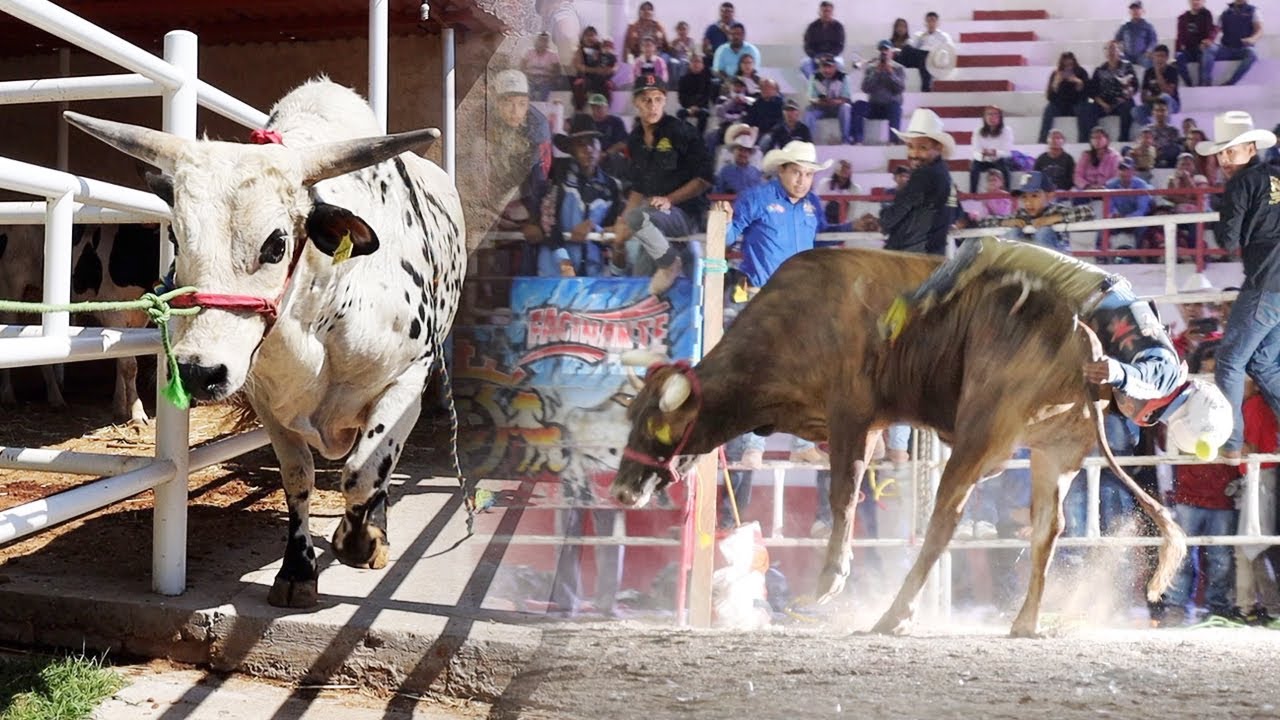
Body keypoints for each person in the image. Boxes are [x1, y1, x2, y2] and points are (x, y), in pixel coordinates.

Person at [882, 236, 1233, 463]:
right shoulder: (1162, 387)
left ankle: (912, 304)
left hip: (1088, 294)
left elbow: (1140, 377)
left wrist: (1118, 372)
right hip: (1089, 302)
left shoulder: (1168, 379)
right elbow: (1143, 378)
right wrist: (1119, 373)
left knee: (985, 248)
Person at [718, 140, 839, 467]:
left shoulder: (812, 205)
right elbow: (725, 238)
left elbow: (821, 240)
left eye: (808, 174)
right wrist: (723, 221)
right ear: (781, 170)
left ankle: (798, 444)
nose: (802, 180)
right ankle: (752, 448)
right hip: (763, 297)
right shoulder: (756, 198)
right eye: (796, 172)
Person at [1199, 111, 1280, 459]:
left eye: (1230, 151)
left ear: (1250, 148)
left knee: (1231, 362)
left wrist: (1223, 209)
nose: (1224, 159)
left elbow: (1228, 241)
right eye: (1222, 152)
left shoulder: (1240, 185)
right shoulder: (1275, 176)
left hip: (1265, 281)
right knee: (1263, 363)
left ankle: (1230, 444)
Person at [611, 75, 713, 295]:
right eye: (646, 100)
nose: (653, 106)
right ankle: (644, 306)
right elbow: (638, 188)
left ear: (665, 101)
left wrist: (669, 200)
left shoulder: (682, 131)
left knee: (639, 217)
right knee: (642, 286)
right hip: (654, 222)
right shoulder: (635, 139)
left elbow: (704, 179)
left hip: (684, 214)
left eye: (658, 99)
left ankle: (670, 265)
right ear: (635, 102)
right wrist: (623, 220)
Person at [538, 114, 623, 277]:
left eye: (592, 142)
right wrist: (564, 262)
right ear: (572, 150)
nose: (588, 149)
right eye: (580, 144)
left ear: (600, 146)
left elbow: (610, 228)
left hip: (592, 274)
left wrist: (596, 228)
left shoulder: (610, 186)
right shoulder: (558, 176)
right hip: (554, 271)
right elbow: (548, 223)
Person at [488, 69, 552, 274]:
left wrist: (534, 220)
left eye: (521, 103)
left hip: (526, 196)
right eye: (508, 103)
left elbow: (537, 177)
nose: (515, 110)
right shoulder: (483, 122)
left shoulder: (537, 125)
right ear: (497, 103)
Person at [880, 109, 956, 256]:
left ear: (938, 148)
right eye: (910, 146)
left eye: (922, 148)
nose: (914, 154)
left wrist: (882, 217)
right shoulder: (943, 173)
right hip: (932, 256)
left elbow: (890, 218)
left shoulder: (924, 175)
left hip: (910, 259)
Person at [975, 171, 1094, 252]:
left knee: (1043, 233)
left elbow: (1088, 212)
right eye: (1024, 197)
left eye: (1034, 196)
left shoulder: (1055, 210)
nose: (1028, 202)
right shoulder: (1021, 214)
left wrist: (1054, 218)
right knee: (1013, 233)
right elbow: (983, 222)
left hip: (1058, 266)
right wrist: (1007, 222)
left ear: (1049, 196)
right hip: (1030, 268)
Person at [1083, 40, 1138, 142]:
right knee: (1088, 107)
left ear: (1119, 51)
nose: (1110, 52)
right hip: (1103, 103)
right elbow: (1092, 92)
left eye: (1113, 48)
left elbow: (1135, 86)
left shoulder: (1127, 66)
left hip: (1121, 101)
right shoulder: (1099, 70)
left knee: (1129, 105)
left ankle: (1123, 138)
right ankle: (1094, 138)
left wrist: (1127, 94)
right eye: (1108, 49)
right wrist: (1103, 104)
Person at [853, 40, 906, 143]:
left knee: (896, 108)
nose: (884, 53)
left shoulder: (898, 68)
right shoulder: (871, 68)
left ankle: (893, 141)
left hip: (889, 107)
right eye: (881, 50)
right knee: (857, 105)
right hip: (874, 106)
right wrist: (876, 73)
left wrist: (891, 73)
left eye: (886, 50)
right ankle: (857, 139)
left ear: (891, 52)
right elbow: (865, 88)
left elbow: (900, 89)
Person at [1103, 157, 1154, 256]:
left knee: (1143, 228)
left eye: (1127, 170)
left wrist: (1127, 218)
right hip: (1118, 219)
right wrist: (1114, 214)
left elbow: (1141, 210)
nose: (1124, 173)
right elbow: (1109, 206)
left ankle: (1139, 256)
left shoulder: (1141, 185)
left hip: (1136, 220)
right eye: (1122, 169)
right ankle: (1102, 256)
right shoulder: (1110, 185)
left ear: (1133, 171)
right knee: (1103, 227)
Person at [1038, 51, 1090, 144]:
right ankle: (1043, 140)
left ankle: (1084, 140)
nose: (1068, 67)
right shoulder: (1055, 74)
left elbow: (1087, 95)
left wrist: (1079, 83)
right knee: (1048, 109)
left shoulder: (1081, 72)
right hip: (1060, 106)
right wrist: (1055, 84)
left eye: (1070, 64)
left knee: (1083, 108)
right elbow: (1050, 97)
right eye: (1065, 65)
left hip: (1076, 105)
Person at [1210, 0, 1262, 86]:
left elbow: (1260, 30)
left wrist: (1252, 39)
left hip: (1243, 49)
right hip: (1226, 49)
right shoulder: (1225, 11)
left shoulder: (1253, 11)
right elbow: (1216, 29)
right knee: (1209, 50)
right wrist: (1210, 40)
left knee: (1252, 54)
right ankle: (1205, 82)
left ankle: (1231, 82)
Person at [806, 56, 855, 145]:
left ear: (835, 67)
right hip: (820, 107)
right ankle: (809, 142)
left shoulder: (843, 77)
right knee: (809, 111)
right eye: (824, 67)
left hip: (837, 108)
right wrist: (820, 101)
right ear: (820, 67)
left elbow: (846, 98)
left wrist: (832, 101)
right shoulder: (814, 77)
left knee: (846, 108)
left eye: (829, 67)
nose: (827, 70)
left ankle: (845, 140)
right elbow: (811, 97)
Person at [970, 105, 1013, 194]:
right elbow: (975, 150)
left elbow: (1007, 152)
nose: (991, 117)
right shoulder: (978, 131)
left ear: (1000, 117)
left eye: (995, 114)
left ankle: (1007, 193)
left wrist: (994, 152)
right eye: (988, 114)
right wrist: (982, 154)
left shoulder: (1006, 131)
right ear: (984, 117)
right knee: (974, 166)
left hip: (1000, 159)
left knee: (1003, 165)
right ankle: (972, 193)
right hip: (984, 159)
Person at [1133, 45, 1180, 126]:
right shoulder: (1148, 72)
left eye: (1162, 56)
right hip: (1154, 103)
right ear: (1153, 57)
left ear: (1167, 57)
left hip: (1172, 104)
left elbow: (1169, 93)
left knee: (1165, 97)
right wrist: (1156, 98)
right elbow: (1143, 98)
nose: (1159, 59)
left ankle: (1166, 127)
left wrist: (1157, 72)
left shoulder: (1172, 71)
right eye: (1157, 56)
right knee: (1135, 110)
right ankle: (1151, 129)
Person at [588, 94, 630, 181]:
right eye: (594, 107)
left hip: (610, 155)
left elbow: (623, 143)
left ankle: (614, 183)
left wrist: (605, 154)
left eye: (600, 107)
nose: (597, 109)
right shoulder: (587, 122)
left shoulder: (615, 121)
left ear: (606, 107)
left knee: (615, 158)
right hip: (592, 155)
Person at [1176, 0, 1219, 87]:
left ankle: (1204, 85)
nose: (1195, 2)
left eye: (1198, 0)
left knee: (1206, 53)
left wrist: (1209, 40)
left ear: (1203, 1)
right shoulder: (1183, 18)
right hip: (1189, 50)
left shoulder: (1207, 14)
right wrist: (1178, 50)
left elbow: (1213, 30)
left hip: (1203, 48)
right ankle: (1190, 85)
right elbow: (1180, 37)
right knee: (1179, 57)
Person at [713, 123, 764, 195]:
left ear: (750, 154)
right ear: (734, 151)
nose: (743, 154)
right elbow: (717, 194)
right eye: (740, 150)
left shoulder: (755, 173)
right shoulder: (725, 172)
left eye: (746, 151)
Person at [801, 1, 848, 78]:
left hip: (833, 56)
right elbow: (807, 46)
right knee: (804, 65)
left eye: (828, 11)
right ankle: (814, 84)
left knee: (840, 66)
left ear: (832, 13)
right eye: (824, 11)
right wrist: (816, 56)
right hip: (815, 56)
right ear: (819, 12)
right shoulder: (812, 27)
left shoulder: (838, 27)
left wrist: (829, 57)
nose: (826, 14)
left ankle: (835, 88)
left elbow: (840, 46)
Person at [1075, 125, 1121, 193]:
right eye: (1093, 138)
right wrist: (1087, 186)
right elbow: (1078, 175)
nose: (1096, 140)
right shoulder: (1086, 155)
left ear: (1107, 139)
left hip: (1107, 190)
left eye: (1099, 137)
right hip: (1087, 190)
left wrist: (1104, 186)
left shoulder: (1114, 156)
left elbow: (1117, 176)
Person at [676, 53, 714, 135]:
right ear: (689, 64)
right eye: (693, 62)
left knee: (704, 114)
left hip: (702, 107)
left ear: (703, 65)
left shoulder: (707, 80)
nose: (696, 64)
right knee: (680, 113)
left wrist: (697, 106)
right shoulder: (683, 79)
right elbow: (681, 97)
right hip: (687, 107)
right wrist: (690, 107)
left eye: (698, 62)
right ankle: (684, 136)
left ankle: (699, 137)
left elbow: (706, 96)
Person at [1115, 1, 1159, 69]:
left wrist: (1148, 51)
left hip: (1142, 55)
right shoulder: (1125, 27)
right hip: (1127, 55)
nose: (1135, 11)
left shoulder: (1148, 26)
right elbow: (1116, 40)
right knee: (1120, 66)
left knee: (1150, 65)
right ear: (1130, 12)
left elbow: (1153, 41)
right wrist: (1119, 50)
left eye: (1137, 9)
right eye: (1133, 9)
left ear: (1142, 11)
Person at [521, 32, 563, 101]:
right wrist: (526, 78)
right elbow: (521, 67)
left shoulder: (553, 55)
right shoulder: (528, 52)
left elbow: (557, 71)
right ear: (536, 41)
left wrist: (549, 79)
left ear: (547, 43)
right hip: (530, 79)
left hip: (546, 80)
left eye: (544, 41)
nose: (542, 43)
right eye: (540, 40)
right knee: (528, 95)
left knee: (543, 97)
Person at [1035, 128, 1076, 195]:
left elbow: (1071, 179)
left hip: (1063, 193)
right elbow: (1035, 177)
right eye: (1052, 138)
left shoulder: (1068, 159)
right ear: (1047, 140)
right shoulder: (1041, 158)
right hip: (1044, 193)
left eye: (1058, 138)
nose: (1054, 140)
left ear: (1063, 141)